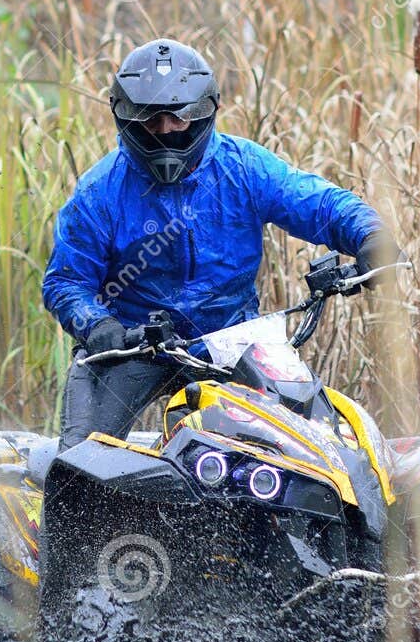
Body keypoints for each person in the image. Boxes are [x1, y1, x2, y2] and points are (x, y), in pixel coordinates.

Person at [42, 38, 395, 449]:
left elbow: (320, 204)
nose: (166, 130)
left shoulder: (244, 167)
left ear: (204, 111)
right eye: (151, 120)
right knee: (80, 462)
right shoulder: (99, 192)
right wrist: (98, 325)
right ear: (126, 116)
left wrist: (370, 236)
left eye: (179, 118)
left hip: (235, 340)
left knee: (311, 437)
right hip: (133, 345)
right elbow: (66, 282)